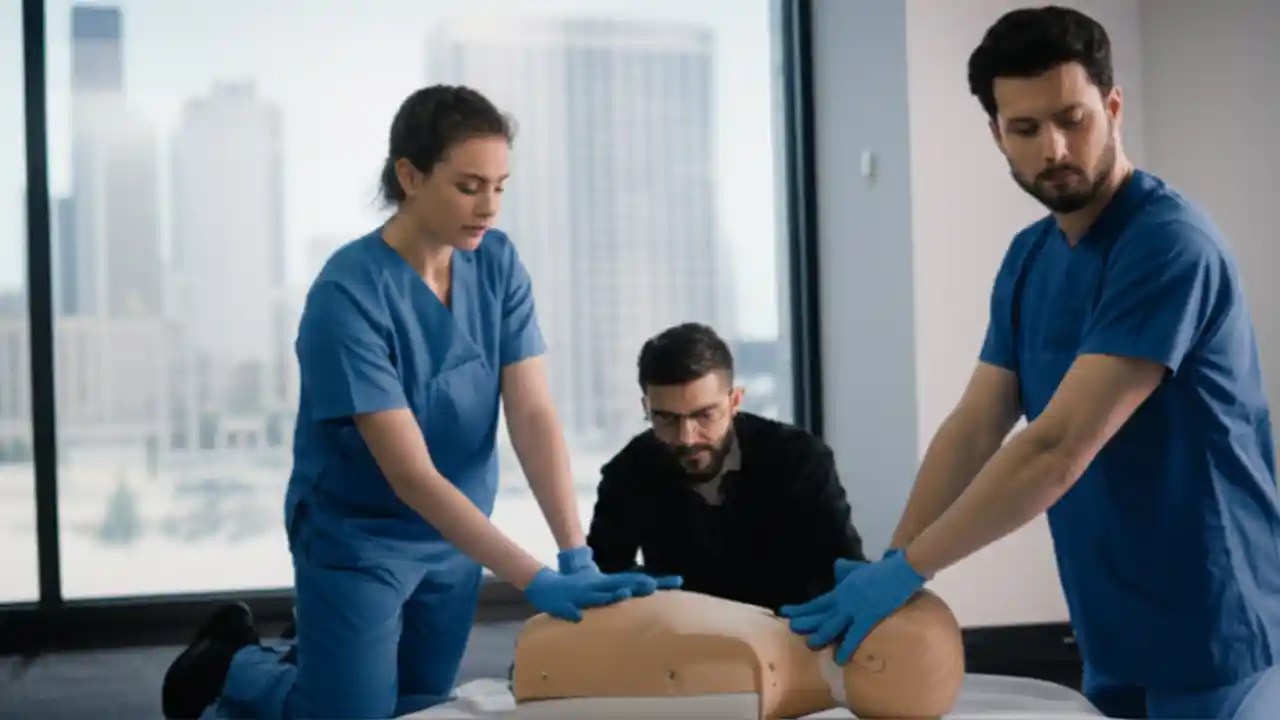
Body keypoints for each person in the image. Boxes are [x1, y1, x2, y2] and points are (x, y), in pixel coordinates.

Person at [780, 7, 1280, 719]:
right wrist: (892, 562)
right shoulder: (1030, 258)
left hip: (1216, 631)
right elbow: (976, 424)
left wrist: (912, 569)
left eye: (1073, 119)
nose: (1055, 148)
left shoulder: (1168, 245)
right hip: (1112, 629)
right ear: (997, 134)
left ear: (1112, 107)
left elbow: (1055, 448)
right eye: (1025, 128)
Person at [160, 85, 678, 720]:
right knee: (351, 714)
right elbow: (410, 474)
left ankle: (313, 658)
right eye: (468, 186)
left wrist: (575, 554)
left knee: (417, 706)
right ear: (410, 176)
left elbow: (531, 414)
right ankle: (231, 665)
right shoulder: (347, 295)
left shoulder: (497, 263)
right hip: (360, 535)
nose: (489, 207)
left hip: (456, 529)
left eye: (500, 186)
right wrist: (534, 579)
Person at [586, 322, 865, 612]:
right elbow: (603, 575)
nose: (686, 437)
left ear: (734, 402)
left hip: (794, 630)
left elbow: (845, 569)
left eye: (704, 415)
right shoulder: (627, 472)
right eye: (666, 418)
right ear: (646, 407)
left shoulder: (800, 458)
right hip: (686, 632)